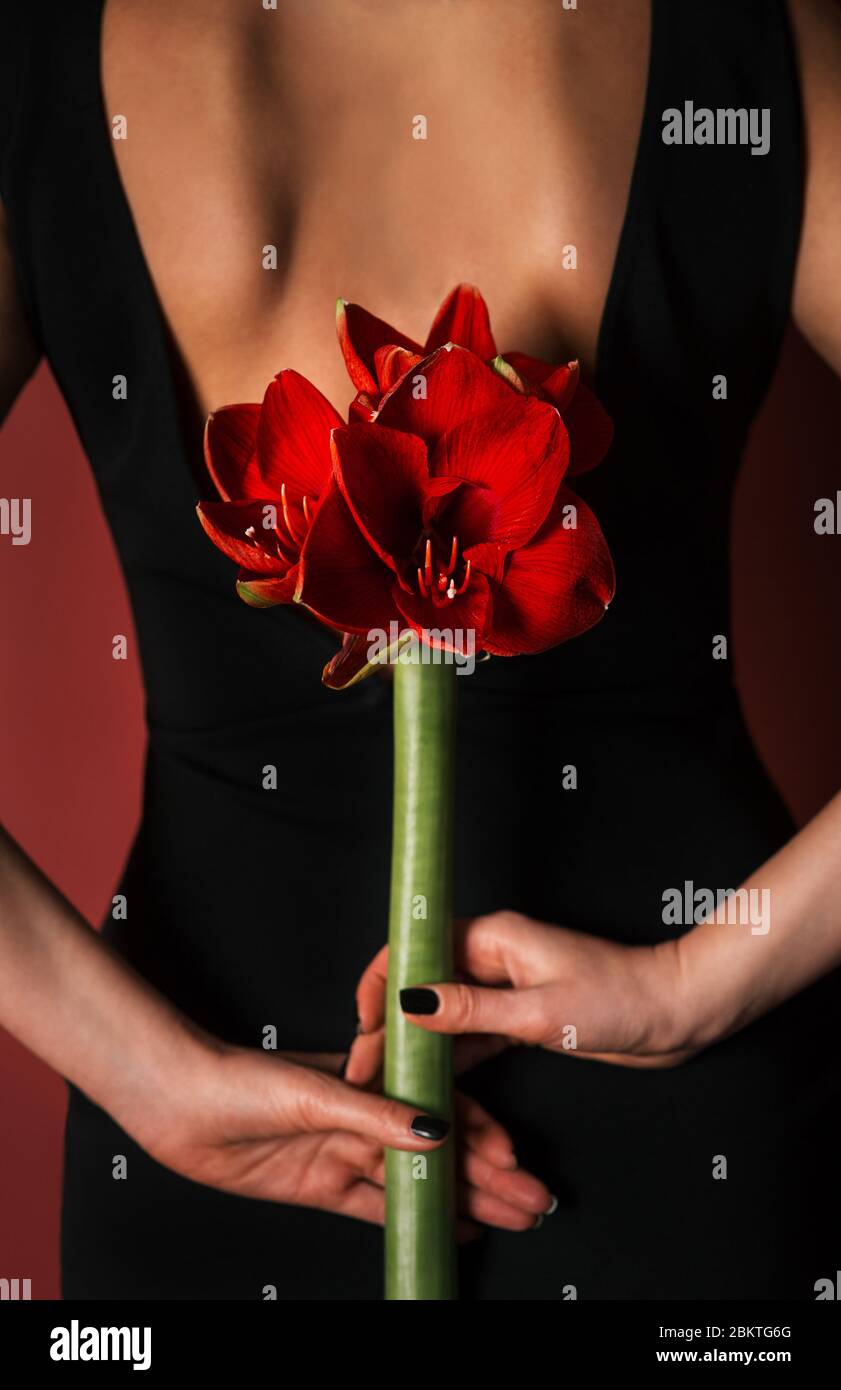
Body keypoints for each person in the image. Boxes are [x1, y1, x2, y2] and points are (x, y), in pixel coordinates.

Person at [1, 0, 840, 1300]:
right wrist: (699, 975)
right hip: (686, 1130)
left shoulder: (41, 53)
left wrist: (142, 1073)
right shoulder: (750, 32)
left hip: (214, 1113)